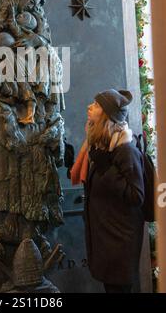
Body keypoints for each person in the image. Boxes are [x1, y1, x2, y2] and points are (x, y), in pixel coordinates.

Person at [71, 89, 145, 293]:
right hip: (106, 239)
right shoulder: (102, 148)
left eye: (95, 104)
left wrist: (107, 170)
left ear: (107, 114)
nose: (89, 107)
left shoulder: (125, 150)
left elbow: (136, 195)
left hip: (120, 243)